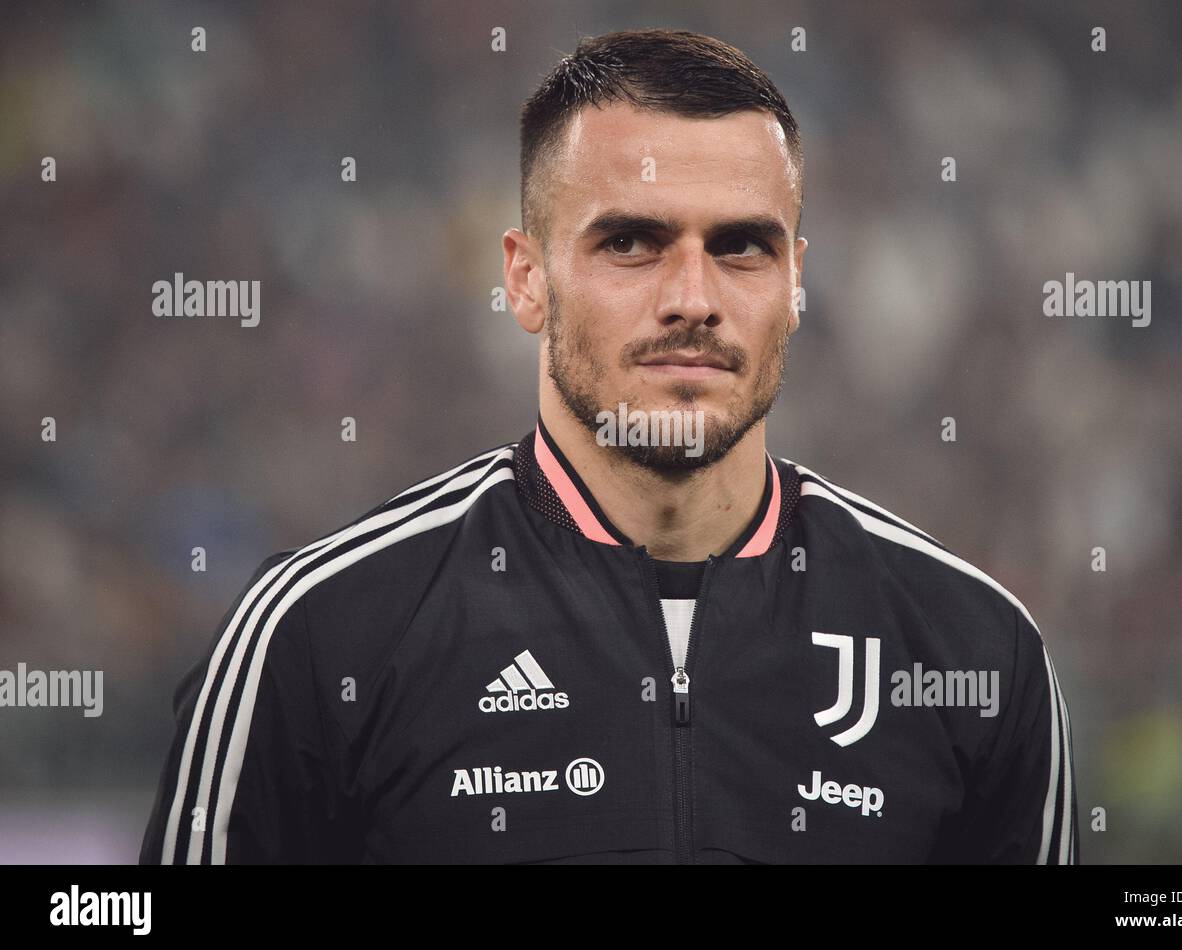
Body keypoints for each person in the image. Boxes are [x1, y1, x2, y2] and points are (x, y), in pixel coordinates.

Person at [140, 28, 1078, 864]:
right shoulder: (317, 634)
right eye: (632, 241)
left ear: (797, 280)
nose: (693, 297)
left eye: (743, 246)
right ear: (526, 278)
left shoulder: (974, 652)